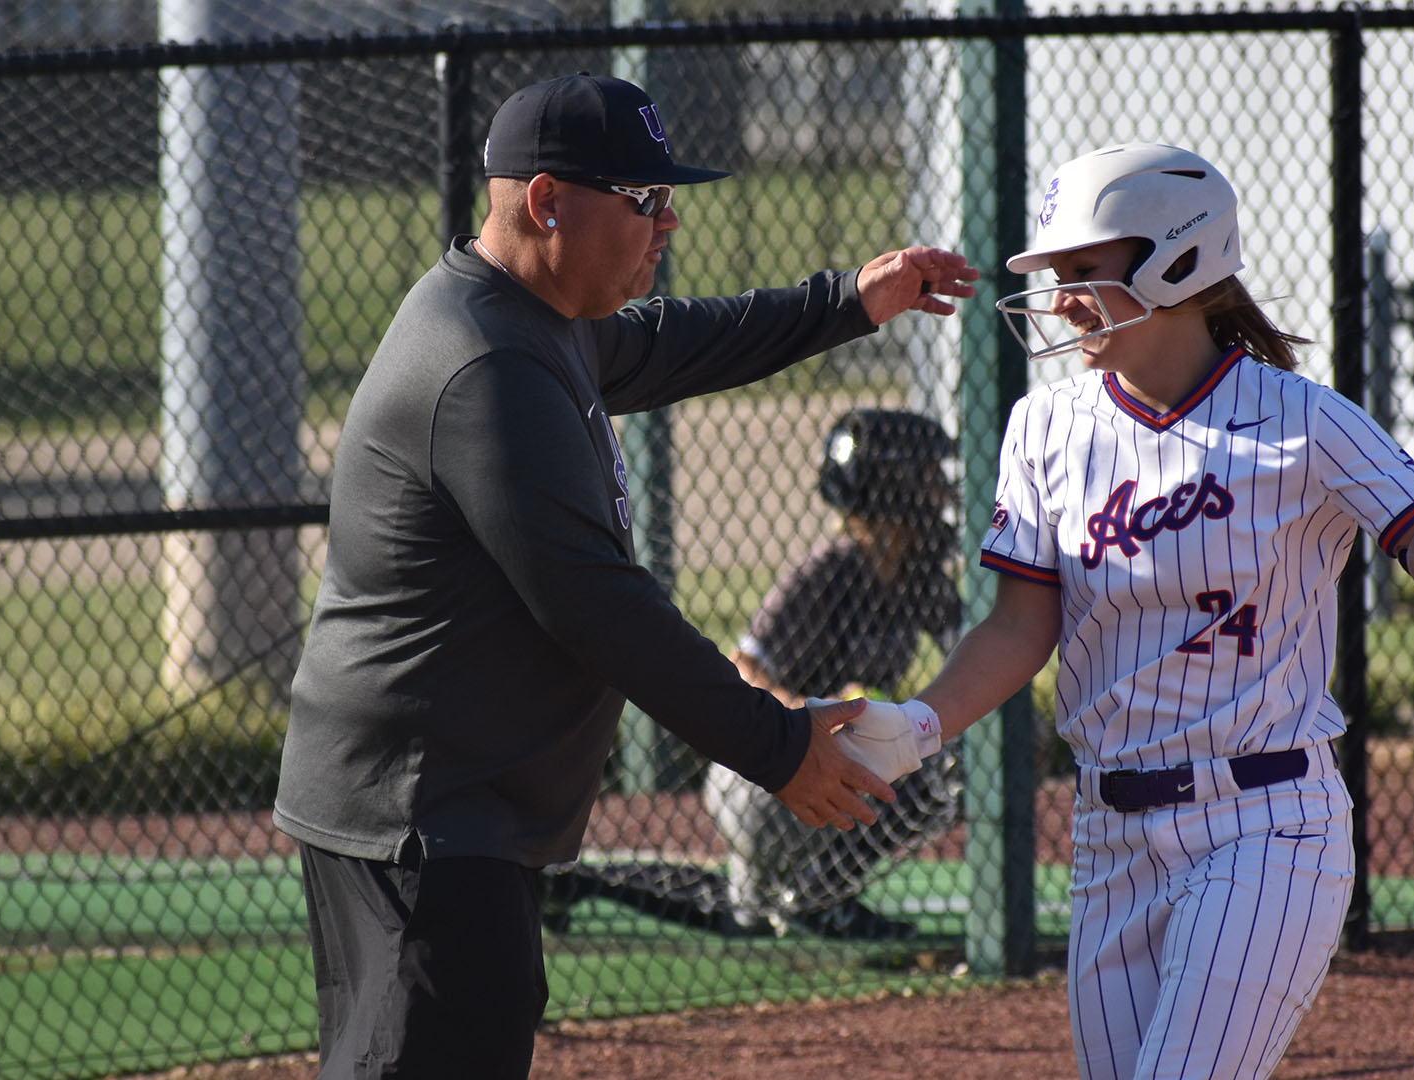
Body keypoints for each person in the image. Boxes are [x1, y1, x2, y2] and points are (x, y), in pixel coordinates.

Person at [272, 71, 978, 1079]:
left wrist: (848, 304)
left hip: (449, 812)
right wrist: (779, 748)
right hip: (422, 820)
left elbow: (678, 339)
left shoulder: (532, 321)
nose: (669, 220)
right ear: (547, 200)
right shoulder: (486, 365)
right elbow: (599, 609)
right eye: (644, 200)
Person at [831, 143, 1414, 1080]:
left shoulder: (1304, 419)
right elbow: (1019, 626)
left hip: (1265, 825)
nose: (1059, 300)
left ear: (1178, 256)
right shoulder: (1046, 425)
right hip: (1109, 839)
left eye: (1083, 270)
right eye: (1055, 275)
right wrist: (921, 724)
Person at [548, 408, 964, 940]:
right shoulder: (827, 575)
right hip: (762, 769)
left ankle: (821, 898)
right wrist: (808, 714)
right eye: (928, 478)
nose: (943, 496)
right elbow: (743, 669)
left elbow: (963, 655)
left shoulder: (919, 576)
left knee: (948, 759)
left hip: (829, 765)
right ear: (893, 484)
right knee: (749, 914)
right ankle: (586, 884)